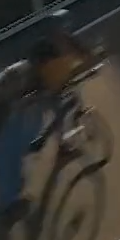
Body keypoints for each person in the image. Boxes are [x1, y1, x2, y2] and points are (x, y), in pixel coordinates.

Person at [27, 9, 95, 152]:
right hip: (45, 88)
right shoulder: (42, 48)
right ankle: (43, 139)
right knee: (62, 110)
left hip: (62, 84)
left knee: (69, 104)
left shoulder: (71, 41)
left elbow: (87, 56)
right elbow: (34, 71)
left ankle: (61, 142)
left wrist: (88, 68)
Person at [0, 60, 38, 222]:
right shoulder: (21, 80)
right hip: (1, 112)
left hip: (1, 108)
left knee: (9, 154)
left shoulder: (23, 72)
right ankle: (5, 208)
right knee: (8, 159)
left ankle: (7, 195)